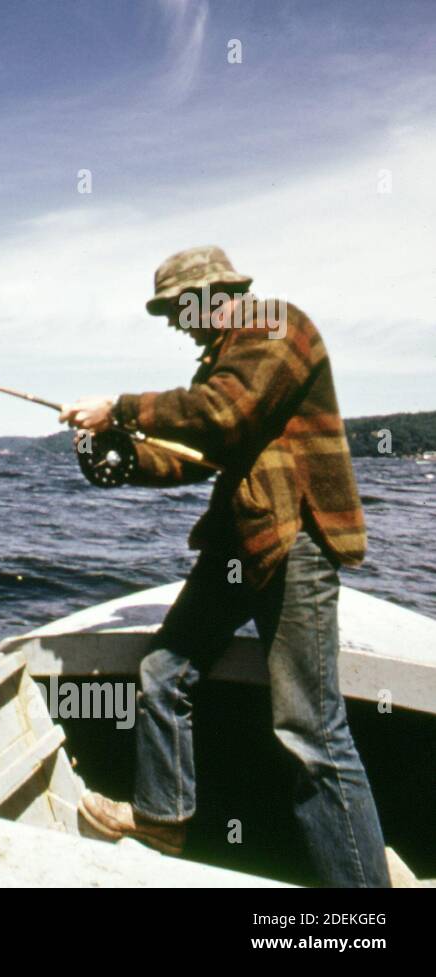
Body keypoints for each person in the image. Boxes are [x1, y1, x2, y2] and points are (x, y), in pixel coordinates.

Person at [58, 245, 389, 887]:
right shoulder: (225, 359)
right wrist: (121, 455)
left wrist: (119, 409)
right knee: (163, 670)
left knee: (310, 733)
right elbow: (194, 451)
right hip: (242, 542)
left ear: (210, 294)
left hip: (295, 544)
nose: (175, 323)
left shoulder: (276, 325)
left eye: (177, 309)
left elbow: (222, 414)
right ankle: (162, 815)